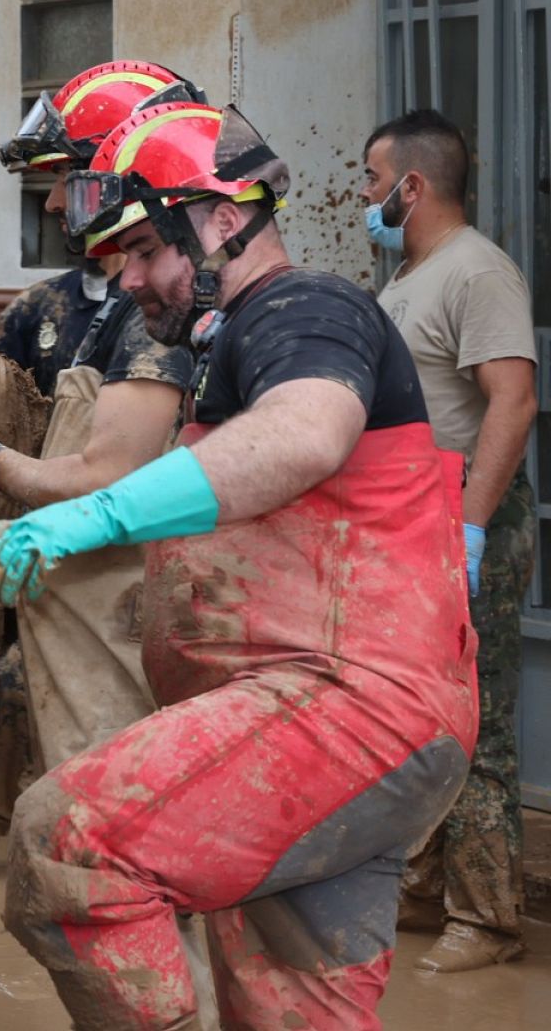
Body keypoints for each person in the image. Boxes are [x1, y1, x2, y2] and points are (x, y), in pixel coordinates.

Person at [0, 102, 476, 1030]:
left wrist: (91, 516)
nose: (129, 281)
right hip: (346, 724)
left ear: (219, 222)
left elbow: (308, 433)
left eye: (143, 252)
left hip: (344, 705)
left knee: (70, 842)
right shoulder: (228, 344)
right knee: (292, 1014)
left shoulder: (304, 305)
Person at [0, 61, 200, 881]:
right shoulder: (92, 308)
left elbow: (106, 477)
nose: (53, 205)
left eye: (66, 183)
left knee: (124, 854)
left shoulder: (161, 318)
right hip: (79, 621)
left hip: (128, 627)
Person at [364, 109, 537, 973]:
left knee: (483, 720)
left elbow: (513, 402)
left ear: (413, 186)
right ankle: (425, 889)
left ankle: (489, 918)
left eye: (370, 180)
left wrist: (469, 530)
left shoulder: (479, 273)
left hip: (472, 526)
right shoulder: (409, 276)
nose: (364, 197)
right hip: (412, 525)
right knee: (419, 717)